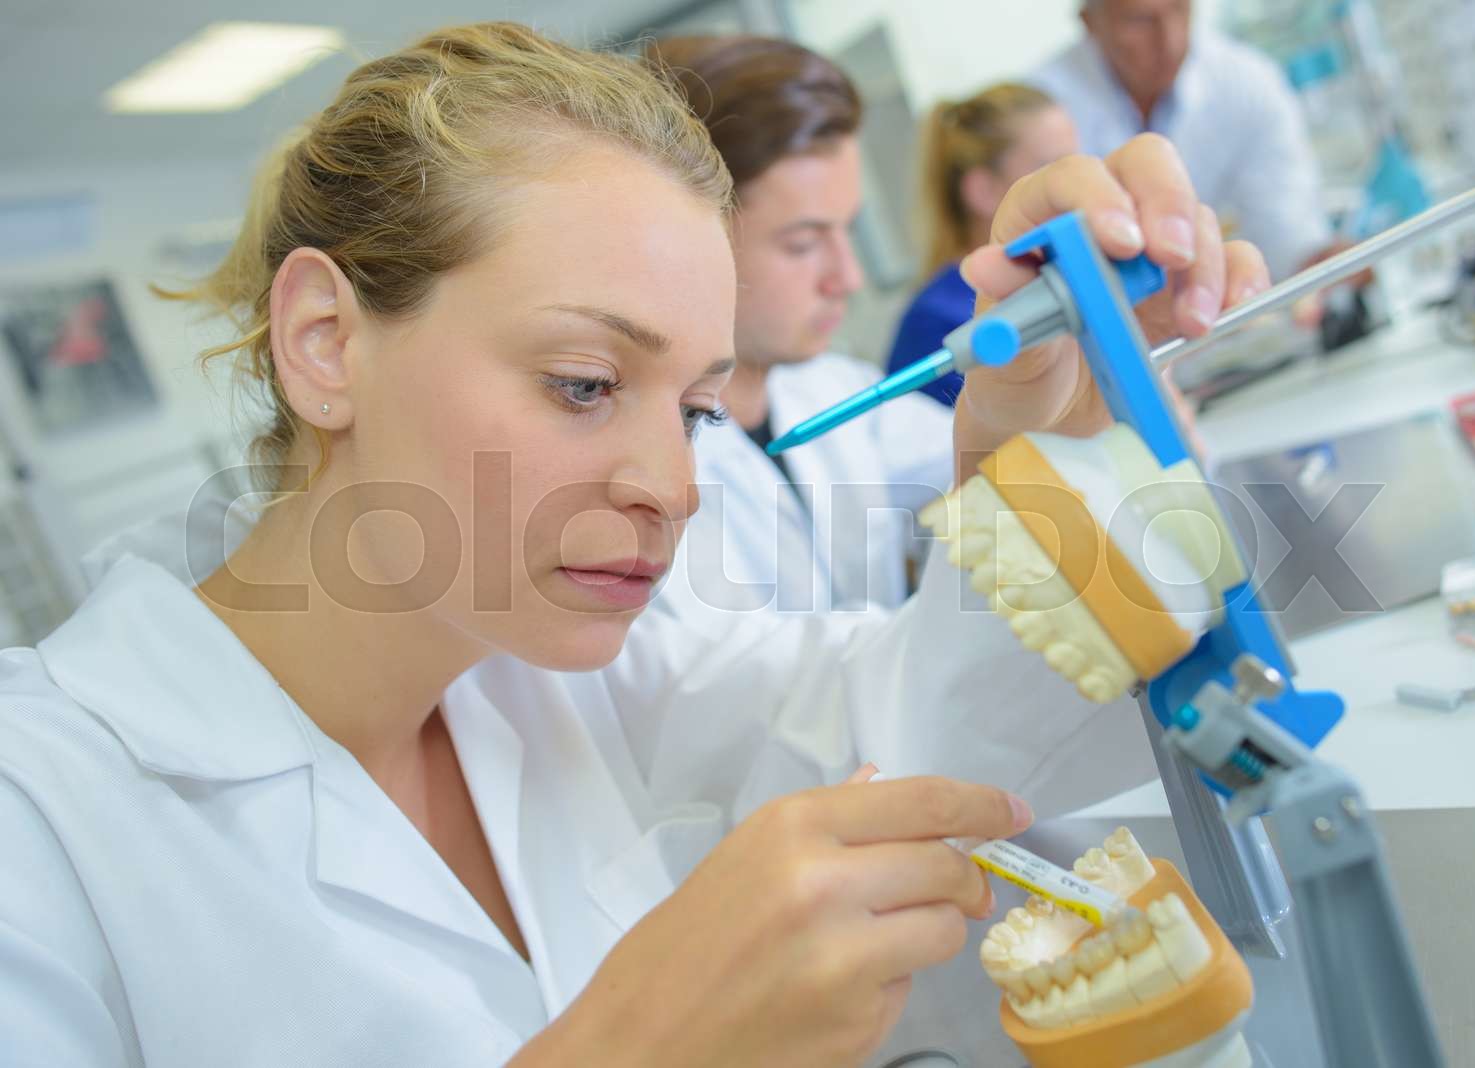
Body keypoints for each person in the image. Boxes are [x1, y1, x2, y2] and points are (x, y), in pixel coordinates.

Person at [0, 21, 1268, 1067]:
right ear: (326, 342)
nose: (675, 485)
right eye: (585, 382)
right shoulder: (42, 822)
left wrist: (1044, 440)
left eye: (700, 410)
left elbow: (919, 730)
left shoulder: (552, 661)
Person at [645, 37, 958, 621]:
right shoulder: (636, 471)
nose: (848, 277)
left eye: (847, 232)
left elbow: (982, 473)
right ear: (687, 244)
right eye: (804, 243)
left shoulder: (836, 389)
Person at [1032, 0, 1345, 283]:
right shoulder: (1038, 113)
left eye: (1181, 9)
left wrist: (1319, 264)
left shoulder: (1248, 83)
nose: (1170, 39)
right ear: (1091, 23)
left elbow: (1285, 232)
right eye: (1140, 20)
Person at [886, 84, 1079, 407]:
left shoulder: (1052, 281)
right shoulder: (936, 324)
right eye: (1054, 170)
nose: (1079, 189)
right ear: (984, 191)